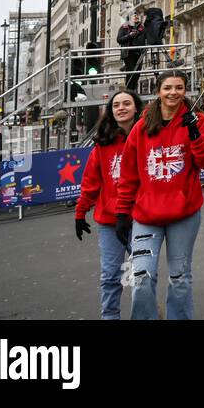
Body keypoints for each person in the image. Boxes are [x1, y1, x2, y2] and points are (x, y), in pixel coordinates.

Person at [115, 71, 204, 320]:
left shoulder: (199, 121)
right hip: (146, 215)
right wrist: (122, 211)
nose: (173, 92)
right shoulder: (141, 127)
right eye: (168, 88)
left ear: (185, 90)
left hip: (184, 213)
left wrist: (195, 134)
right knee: (141, 278)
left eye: (179, 87)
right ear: (158, 91)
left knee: (179, 277)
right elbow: (129, 174)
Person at [74, 87, 142, 320]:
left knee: (138, 276)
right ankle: (110, 317)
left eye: (126, 103)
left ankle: (141, 315)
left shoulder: (146, 137)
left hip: (141, 219)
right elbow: (91, 181)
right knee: (111, 276)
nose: (121, 108)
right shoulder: (103, 144)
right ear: (110, 111)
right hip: (110, 221)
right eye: (116, 105)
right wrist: (80, 212)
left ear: (136, 108)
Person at [116, 14, 147, 91]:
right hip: (128, 53)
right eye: (134, 16)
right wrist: (129, 35)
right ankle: (129, 90)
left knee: (137, 73)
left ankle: (133, 90)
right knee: (130, 74)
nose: (136, 17)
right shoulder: (124, 27)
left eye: (137, 16)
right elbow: (119, 39)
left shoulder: (142, 27)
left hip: (139, 53)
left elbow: (147, 37)